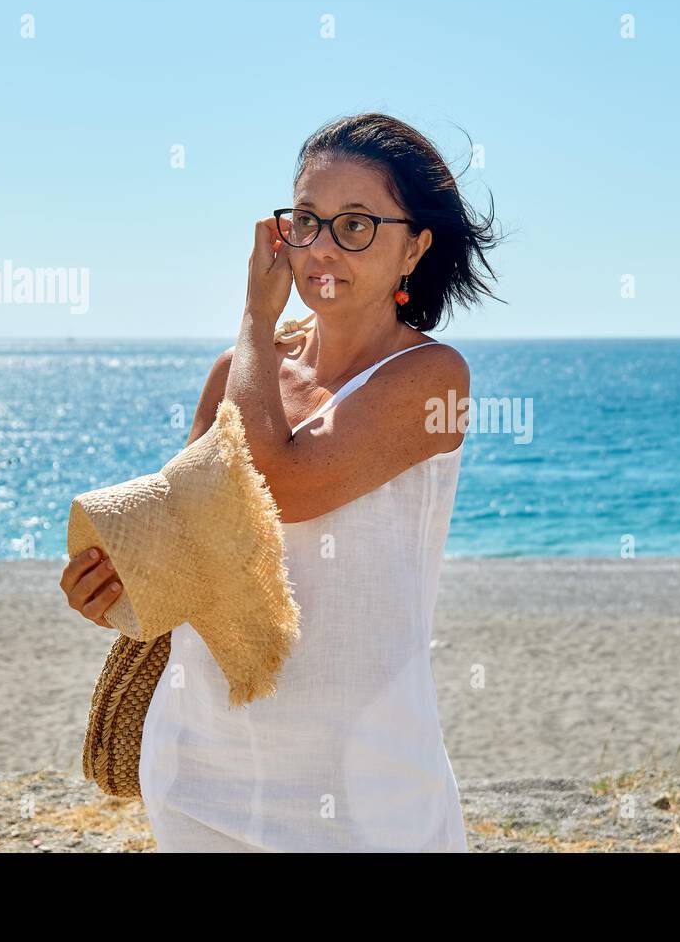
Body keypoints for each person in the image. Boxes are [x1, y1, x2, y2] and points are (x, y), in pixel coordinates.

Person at [59, 112, 505, 851]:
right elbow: (190, 545)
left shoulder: (433, 379)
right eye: (307, 220)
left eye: (356, 225)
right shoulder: (239, 373)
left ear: (415, 249)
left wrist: (254, 316)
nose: (322, 247)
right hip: (200, 770)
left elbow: (279, 482)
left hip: (370, 792)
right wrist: (113, 591)